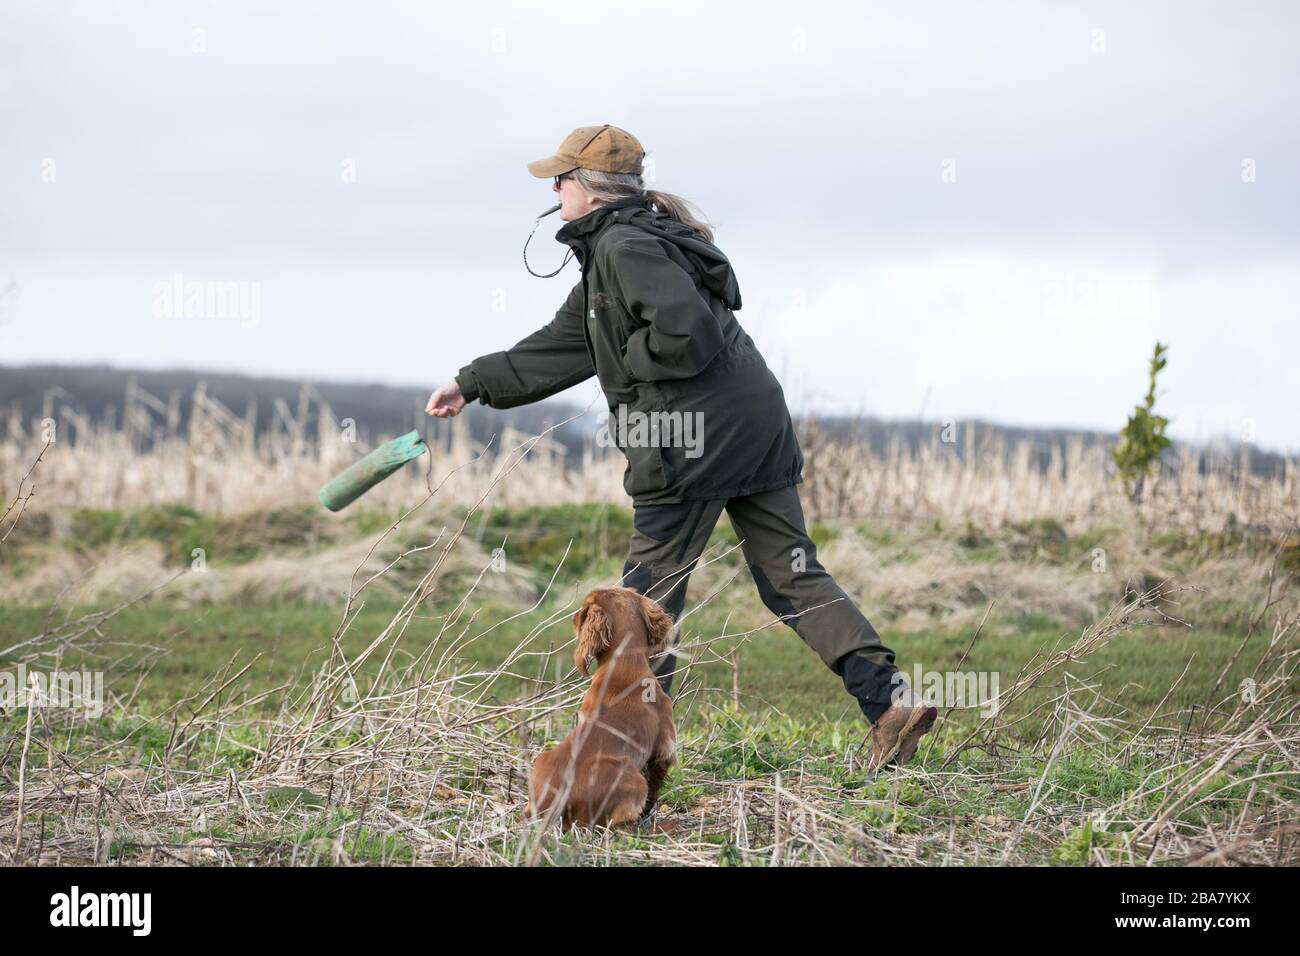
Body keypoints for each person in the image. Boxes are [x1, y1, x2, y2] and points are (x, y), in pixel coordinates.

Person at [426, 124, 936, 770]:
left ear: (588, 188)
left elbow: (684, 331)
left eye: (561, 178)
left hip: (687, 439)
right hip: (753, 425)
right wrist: (471, 384)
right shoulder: (635, 241)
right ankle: (891, 703)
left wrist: (628, 361)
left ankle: (626, 754)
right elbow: (566, 343)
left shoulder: (625, 246)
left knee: (644, 596)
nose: (553, 188)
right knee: (791, 574)